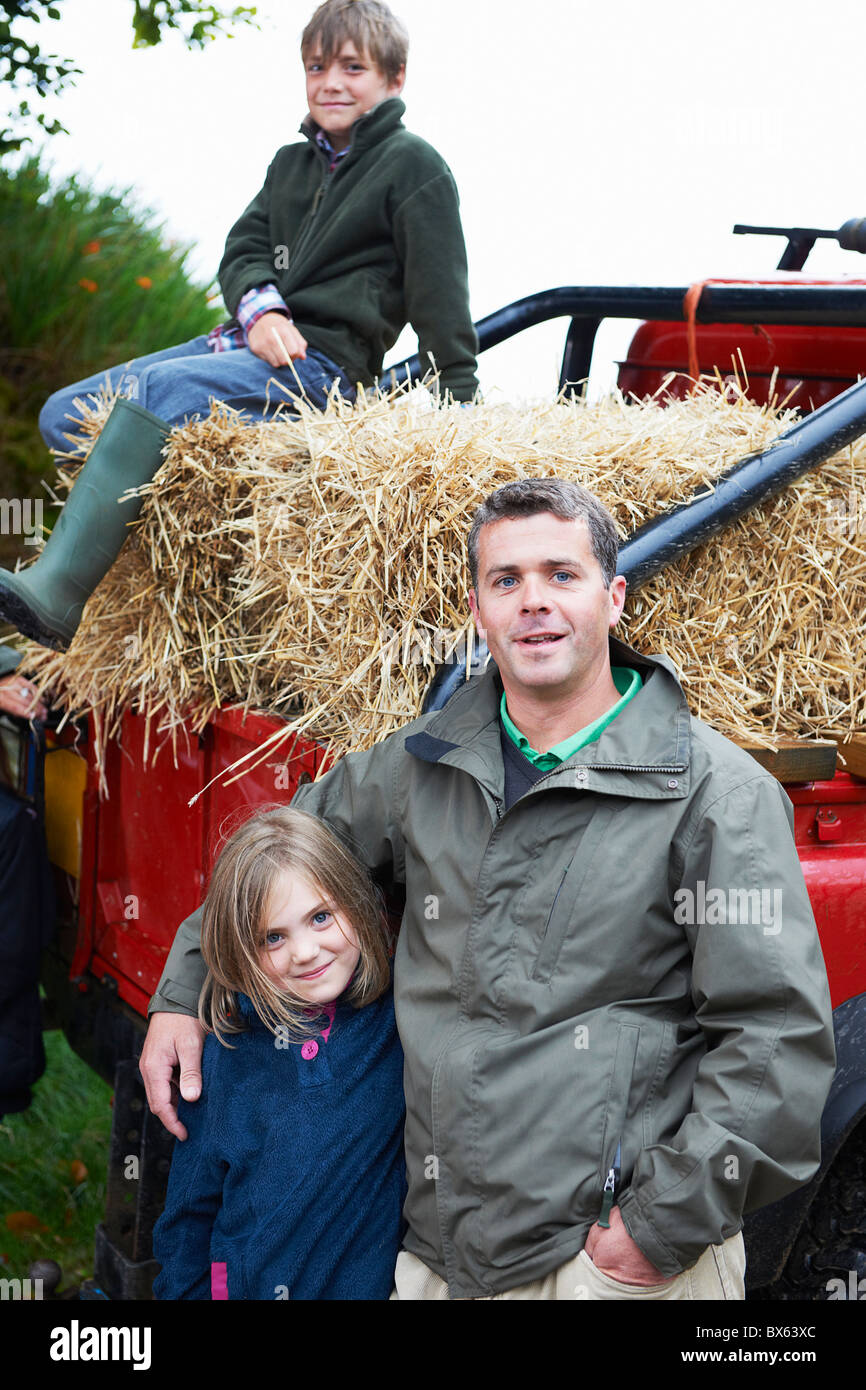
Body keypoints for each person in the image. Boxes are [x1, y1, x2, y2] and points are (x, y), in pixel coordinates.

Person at [141, 477, 836, 1300]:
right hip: (436, 1260)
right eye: (507, 581)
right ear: (479, 610)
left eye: (561, 575)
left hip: (615, 1268)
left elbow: (774, 1038)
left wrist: (655, 1233)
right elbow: (270, 859)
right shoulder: (422, 764)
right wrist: (183, 992)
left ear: (614, 598)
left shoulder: (714, 792)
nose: (533, 602)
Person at [0, 0, 478, 653]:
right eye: (316, 66)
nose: (330, 82)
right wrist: (262, 308)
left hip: (322, 367)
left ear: (394, 79)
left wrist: (460, 404)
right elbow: (243, 249)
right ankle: (157, 539)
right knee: (67, 412)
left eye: (352, 67)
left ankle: (56, 594)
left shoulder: (413, 166)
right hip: (243, 345)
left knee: (163, 395)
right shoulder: (290, 164)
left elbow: (440, 293)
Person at [151, 805, 406, 1300]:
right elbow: (189, 1217)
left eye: (320, 917)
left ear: (359, 903)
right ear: (239, 948)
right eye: (273, 937)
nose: (306, 951)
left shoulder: (394, 1026)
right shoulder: (225, 1056)